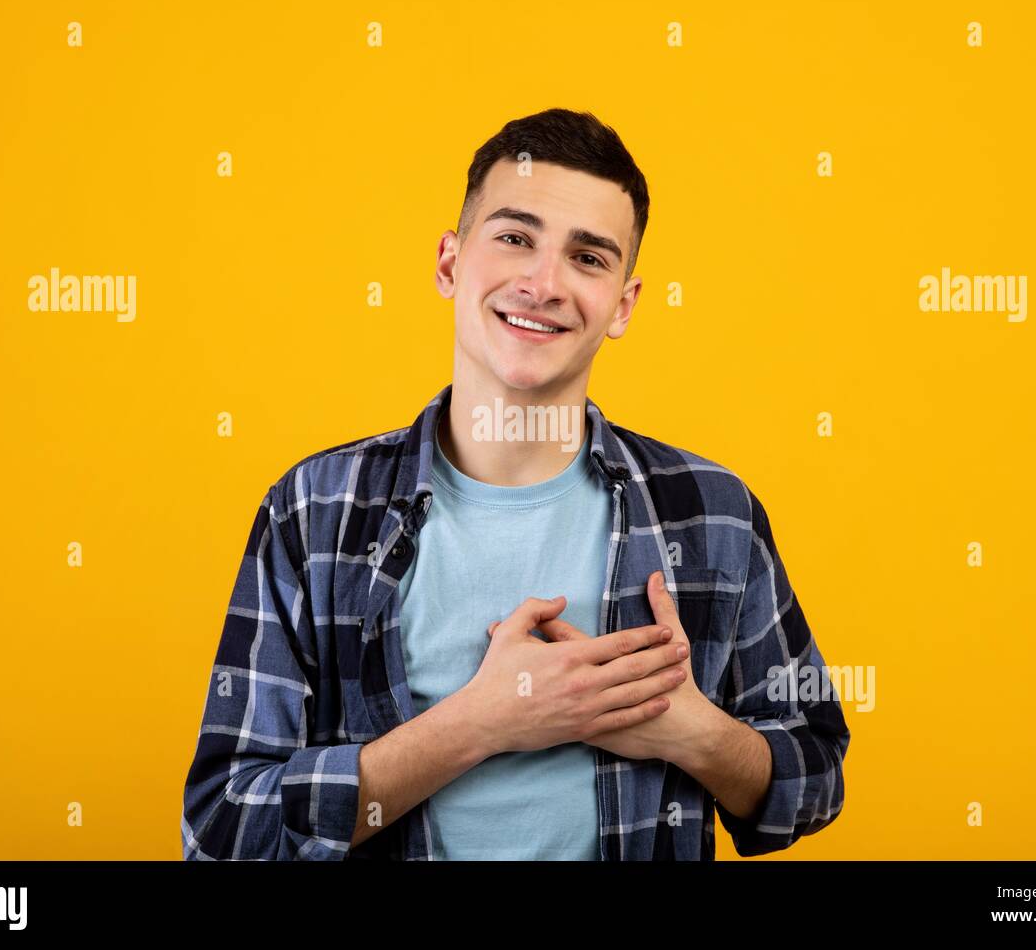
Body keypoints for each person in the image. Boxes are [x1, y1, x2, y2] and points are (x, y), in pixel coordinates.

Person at [181, 108, 850, 860]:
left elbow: (815, 772)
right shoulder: (314, 511)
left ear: (622, 305)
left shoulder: (714, 514)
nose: (544, 283)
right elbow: (224, 830)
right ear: (448, 263)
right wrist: (479, 724)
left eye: (589, 259)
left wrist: (695, 732)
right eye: (514, 238)